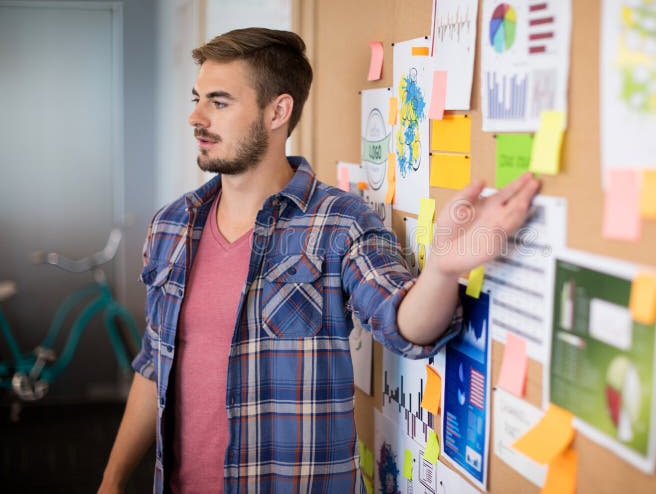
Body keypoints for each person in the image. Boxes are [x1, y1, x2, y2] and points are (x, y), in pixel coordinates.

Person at [98, 27, 541, 493]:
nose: (195, 117)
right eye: (197, 99)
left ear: (278, 112)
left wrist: (443, 270)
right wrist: (111, 481)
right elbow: (154, 365)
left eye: (219, 102)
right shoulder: (171, 226)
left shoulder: (340, 223)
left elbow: (406, 326)